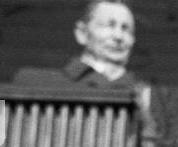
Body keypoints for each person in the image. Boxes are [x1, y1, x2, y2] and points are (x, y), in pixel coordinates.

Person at [12, 1, 143, 93]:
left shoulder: (147, 96)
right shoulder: (34, 83)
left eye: (126, 29)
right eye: (108, 25)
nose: (118, 36)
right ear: (82, 33)